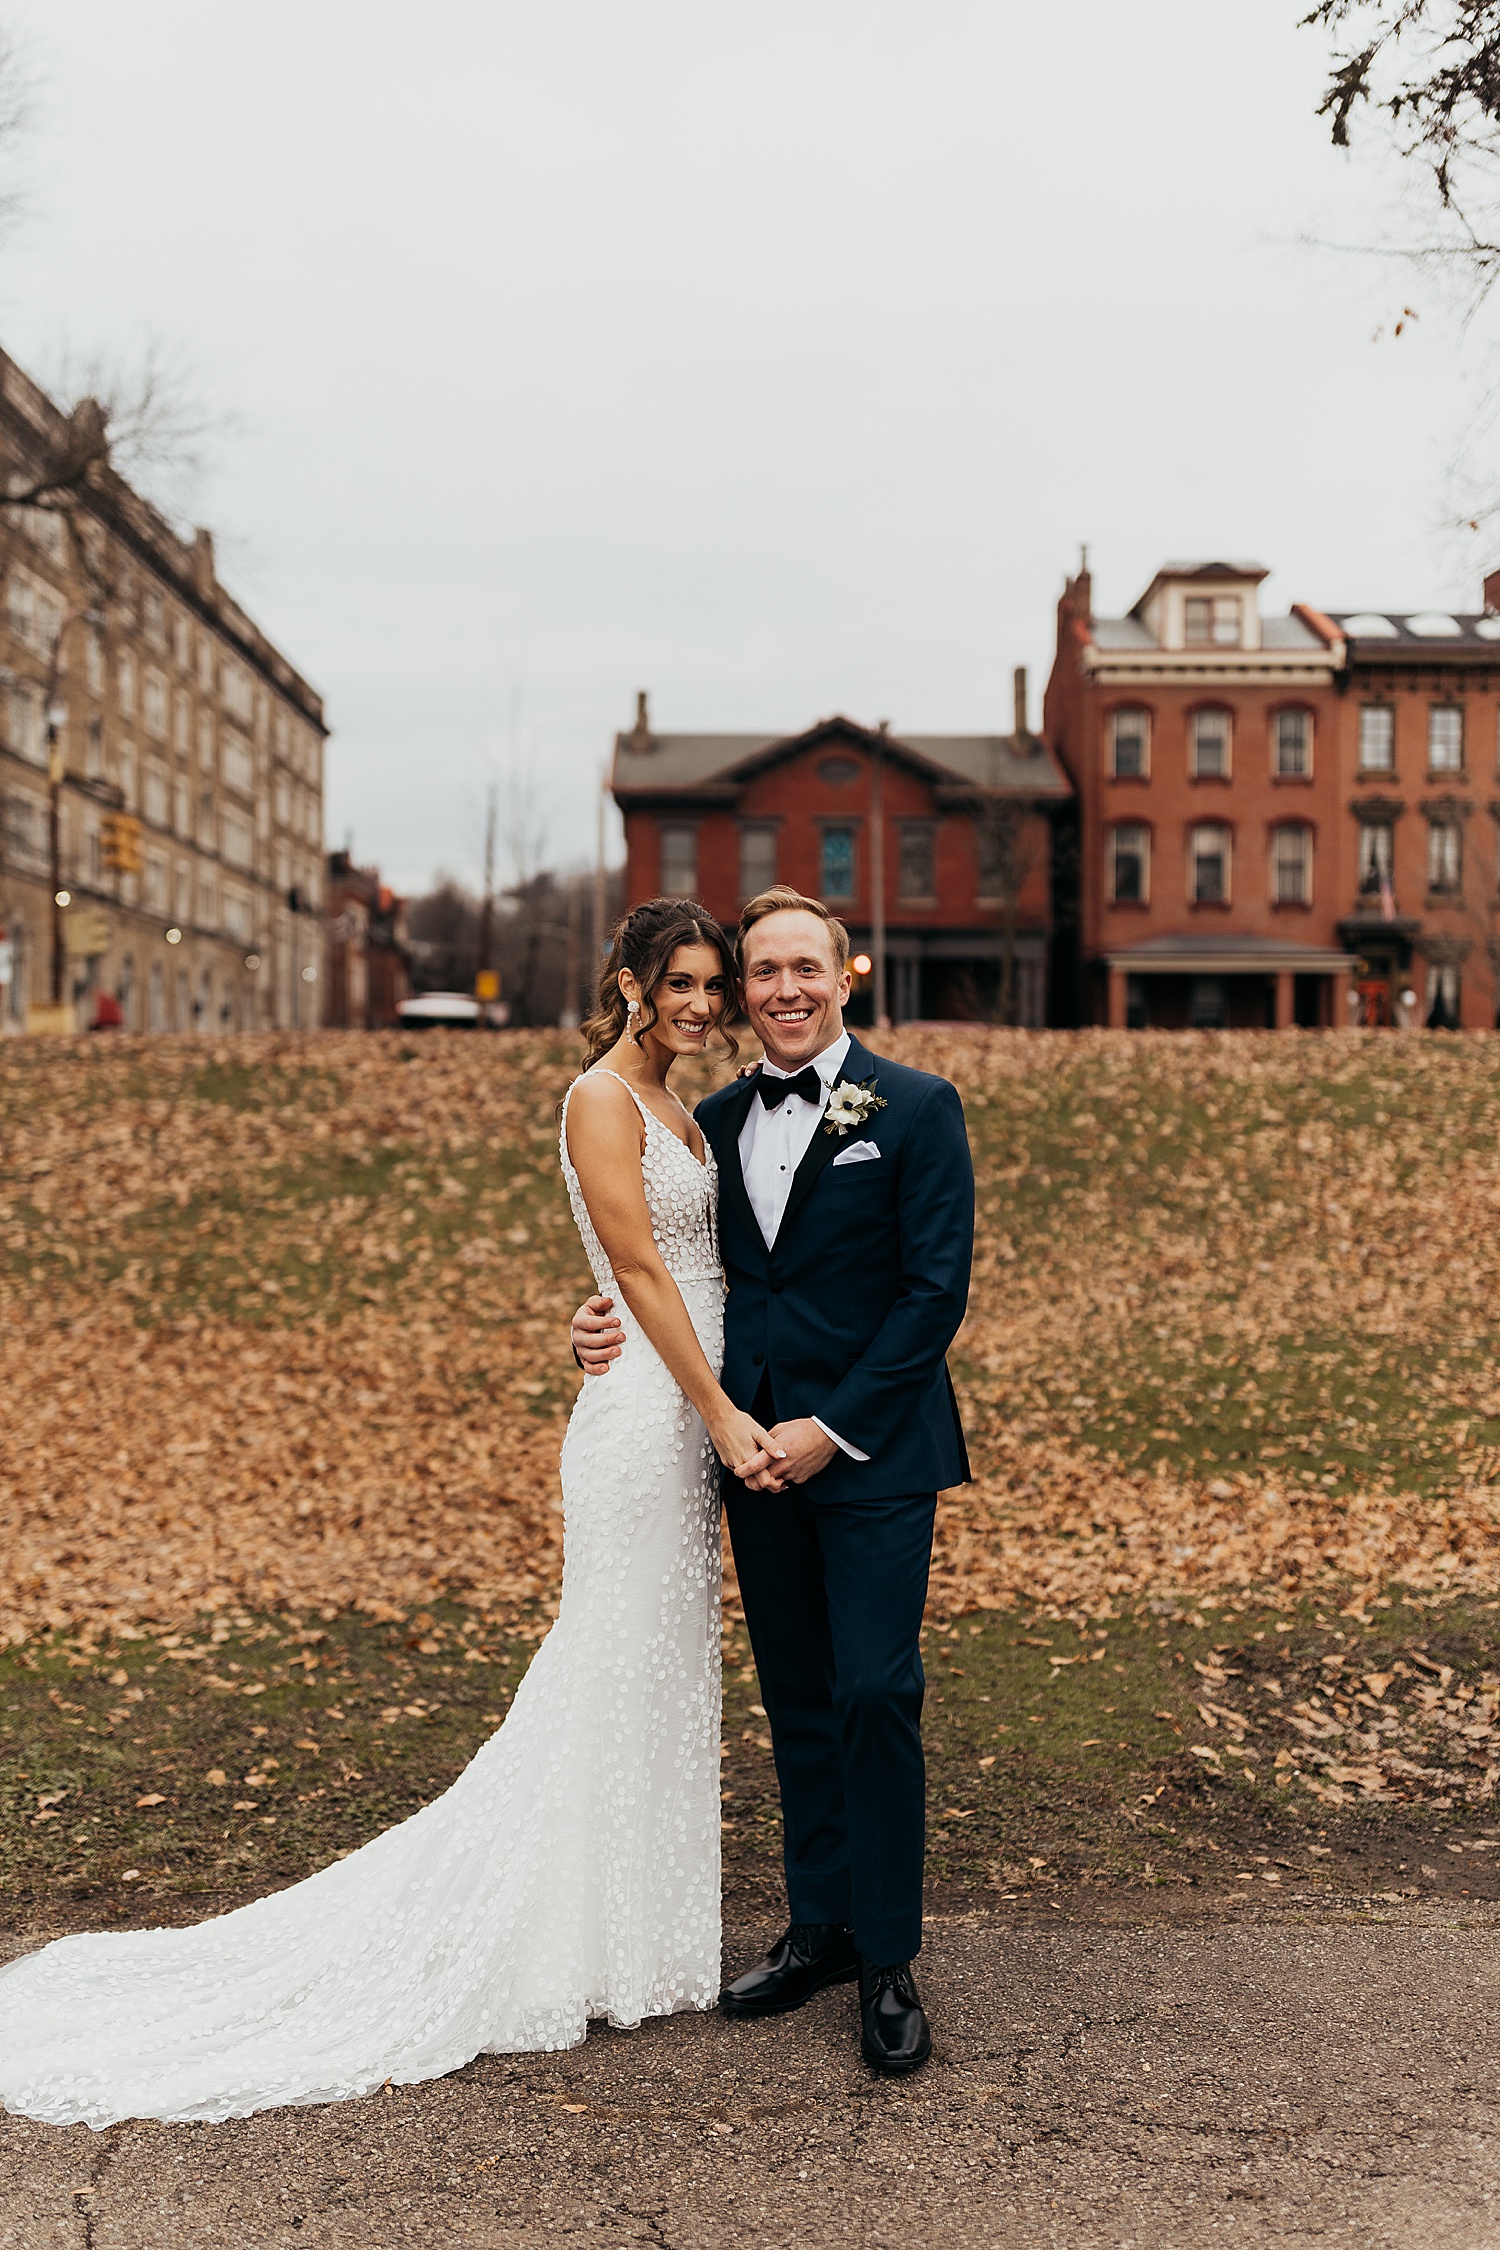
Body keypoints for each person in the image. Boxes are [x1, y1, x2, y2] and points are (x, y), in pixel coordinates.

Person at [0, 897, 776, 2130]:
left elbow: (697, 1265)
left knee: (658, 1670)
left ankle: (636, 1942)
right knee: (610, 1661)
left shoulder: (687, 1105)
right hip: (650, 1420)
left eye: (709, 985)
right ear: (628, 980)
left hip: (684, 1400)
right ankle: (558, 1939)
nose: (696, 1002)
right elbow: (632, 1271)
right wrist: (718, 1409)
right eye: (676, 981)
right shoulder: (599, 1101)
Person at [572, 885, 974, 2075]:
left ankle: (891, 1959)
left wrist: (826, 1429)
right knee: (797, 1700)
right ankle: (822, 1929)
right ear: (743, 992)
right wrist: (595, 1324)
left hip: (872, 1454)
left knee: (873, 1692)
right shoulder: (713, 1116)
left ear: (845, 977)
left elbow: (930, 1297)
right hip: (748, 1460)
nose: (782, 989)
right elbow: (669, 1268)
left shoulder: (916, 1107)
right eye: (761, 972)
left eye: (807, 967)